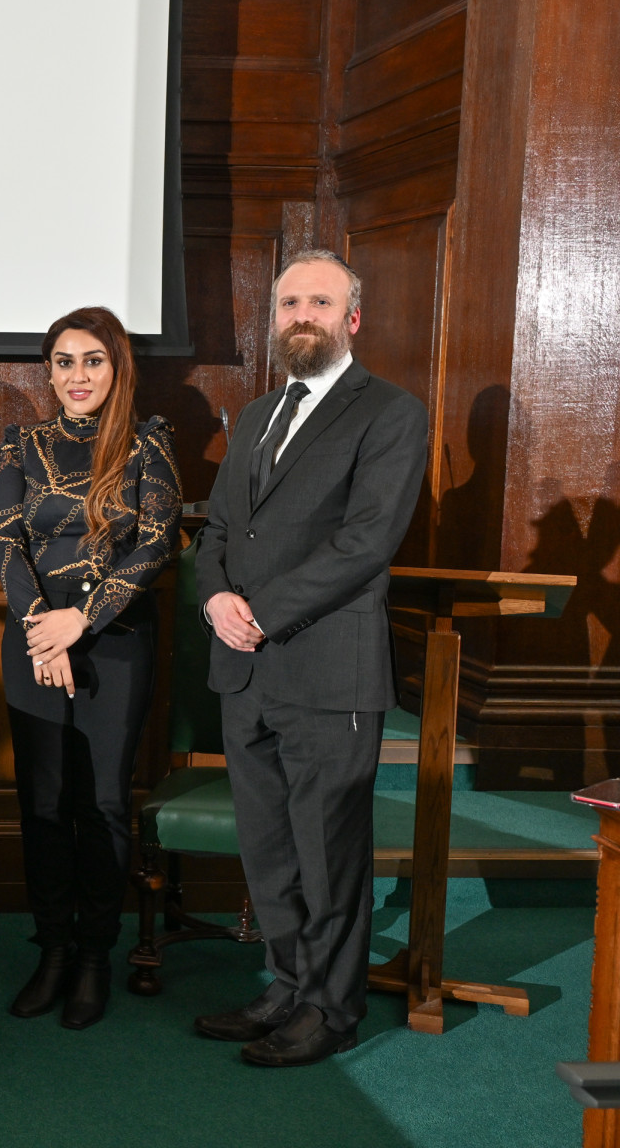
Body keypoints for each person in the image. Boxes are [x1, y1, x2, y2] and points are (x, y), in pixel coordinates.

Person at [193, 249, 426, 1066]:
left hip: (329, 670)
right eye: (289, 300)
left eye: (319, 302)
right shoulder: (256, 416)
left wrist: (261, 611)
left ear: (351, 318)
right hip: (246, 668)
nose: (301, 314)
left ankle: (331, 1009)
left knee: (328, 851)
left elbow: (365, 543)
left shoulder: (390, 413)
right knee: (270, 846)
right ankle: (285, 986)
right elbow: (219, 531)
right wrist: (215, 596)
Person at [0, 306, 180, 1030]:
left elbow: (156, 544)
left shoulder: (146, 445)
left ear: (118, 367)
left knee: (100, 801)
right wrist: (46, 631)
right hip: (36, 636)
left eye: (93, 361)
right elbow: (6, 540)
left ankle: (96, 955)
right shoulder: (21, 446)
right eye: (64, 361)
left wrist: (83, 620)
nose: (77, 376)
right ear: (50, 371)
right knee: (42, 802)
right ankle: (54, 950)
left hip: (115, 638)